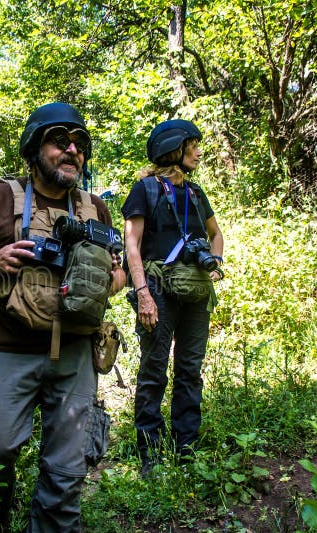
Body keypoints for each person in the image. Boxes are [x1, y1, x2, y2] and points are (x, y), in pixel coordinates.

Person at [0, 102, 126, 531]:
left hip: (77, 354)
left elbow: (117, 272)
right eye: (60, 141)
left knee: (68, 469)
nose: (72, 150)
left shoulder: (95, 208)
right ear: (34, 147)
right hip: (9, 349)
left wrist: (106, 283)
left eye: (80, 144)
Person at [121, 119, 224, 475]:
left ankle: (186, 449)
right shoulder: (145, 189)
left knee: (190, 370)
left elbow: (216, 234)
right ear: (174, 150)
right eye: (192, 145)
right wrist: (143, 293)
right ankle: (149, 453)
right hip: (158, 289)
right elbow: (131, 245)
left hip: (195, 291)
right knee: (154, 370)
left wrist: (216, 262)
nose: (198, 151)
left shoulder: (196, 193)